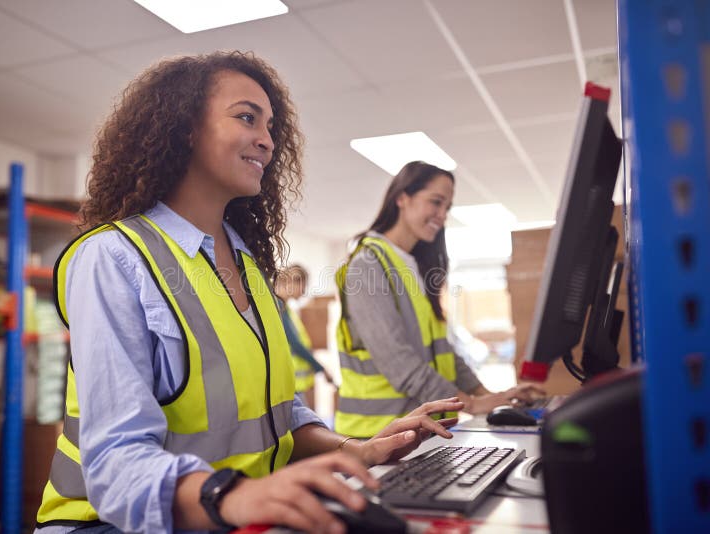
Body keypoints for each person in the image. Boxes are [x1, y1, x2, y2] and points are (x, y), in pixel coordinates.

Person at [34, 52, 464, 534]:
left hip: (224, 518)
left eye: (271, 126)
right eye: (246, 118)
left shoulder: (248, 265)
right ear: (185, 128)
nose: (267, 140)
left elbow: (274, 411)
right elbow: (116, 466)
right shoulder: (113, 257)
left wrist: (354, 450)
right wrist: (235, 496)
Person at [334, 161, 544, 438]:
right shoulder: (368, 265)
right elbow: (399, 362)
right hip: (377, 435)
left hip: (420, 430)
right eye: (436, 202)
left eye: (447, 208)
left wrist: (491, 396)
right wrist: (471, 404)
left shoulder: (411, 265)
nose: (442, 215)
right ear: (402, 198)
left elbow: (442, 351)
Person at [274, 264, 334, 410]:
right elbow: (296, 344)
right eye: (303, 285)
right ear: (293, 282)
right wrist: (321, 368)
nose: (304, 292)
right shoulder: (279, 307)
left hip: (294, 383)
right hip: (291, 383)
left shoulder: (286, 308)